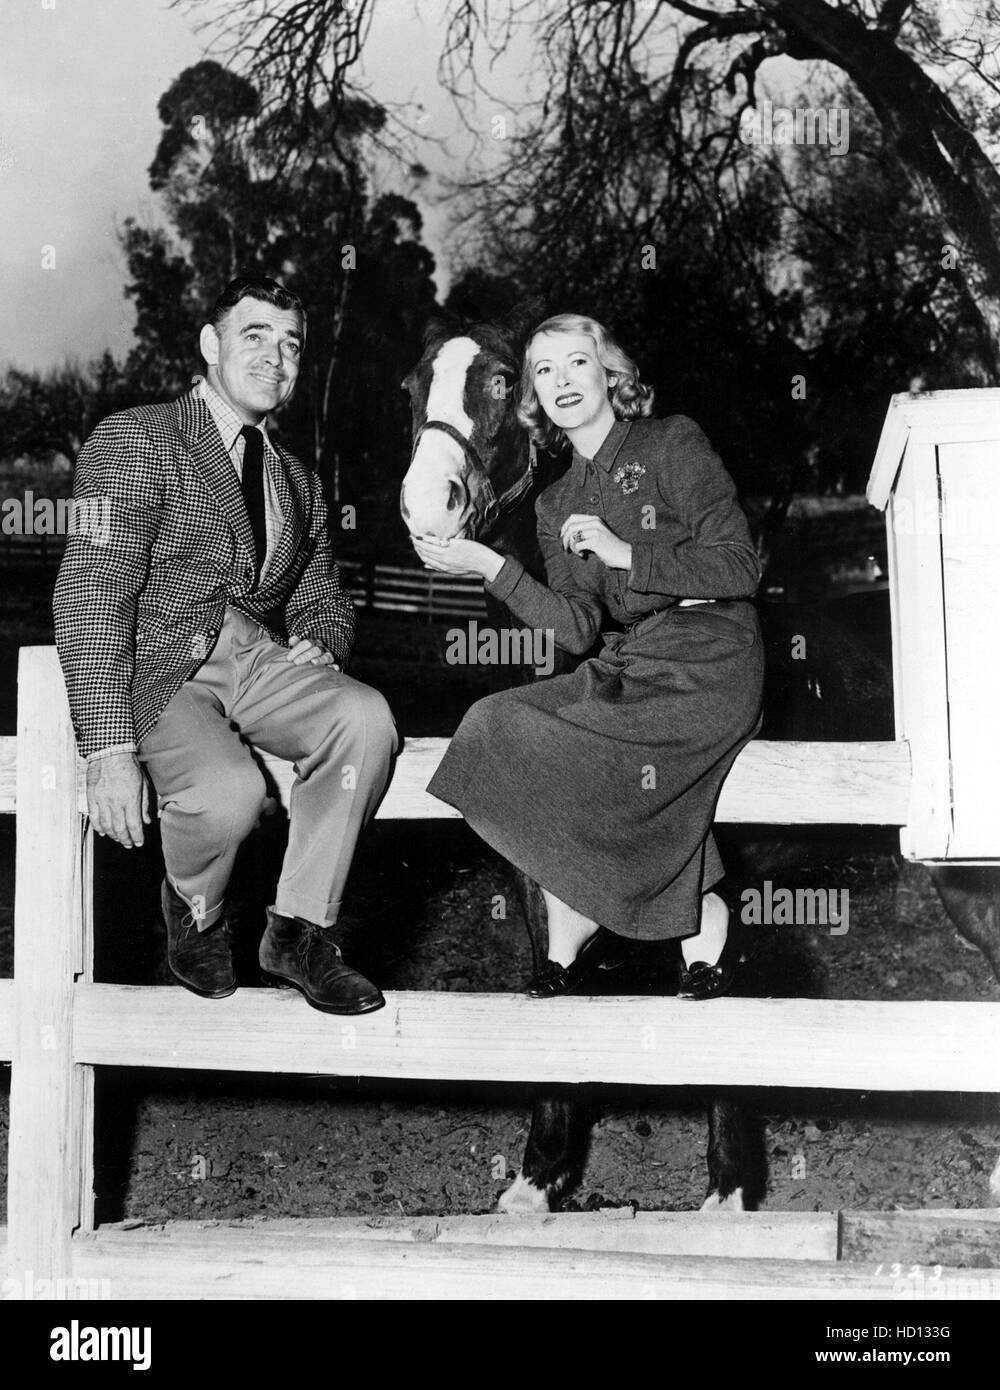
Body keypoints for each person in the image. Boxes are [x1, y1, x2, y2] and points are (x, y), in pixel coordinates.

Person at [54, 274, 397, 1015]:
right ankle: (196, 912)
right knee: (229, 796)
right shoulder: (134, 437)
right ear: (211, 345)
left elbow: (322, 593)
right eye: (255, 335)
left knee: (366, 719)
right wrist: (108, 750)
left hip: (257, 660)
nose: (276, 356)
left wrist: (321, 637)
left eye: (291, 344)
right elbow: (90, 591)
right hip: (162, 668)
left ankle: (300, 931)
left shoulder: (300, 482)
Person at [413, 312, 763, 1000]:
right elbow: (575, 630)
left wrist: (625, 552)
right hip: (631, 663)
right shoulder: (554, 503)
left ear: (610, 372)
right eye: (543, 371)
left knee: (612, 749)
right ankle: (594, 901)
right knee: (494, 723)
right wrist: (490, 566)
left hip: (712, 654)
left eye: (577, 362)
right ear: (532, 397)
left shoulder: (671, 442)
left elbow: (740, 566)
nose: (562, 381)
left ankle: (670, 916)